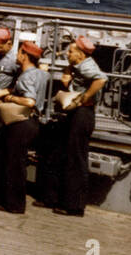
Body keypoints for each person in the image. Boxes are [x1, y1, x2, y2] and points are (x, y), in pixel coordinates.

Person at [38, 36, 107, 217]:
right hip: (75, 113)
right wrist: (68, 70)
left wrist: (85, 97)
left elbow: (101, 79)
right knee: (62, 153)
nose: (67, 54)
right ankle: (54, 198)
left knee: (75, 159)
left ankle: (74, 206)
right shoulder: (79, 66)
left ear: (80, 53)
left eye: (70, 51)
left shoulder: (87, 66)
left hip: (82, 114)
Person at [0, 41, 49, 214]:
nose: (16, 56)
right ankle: (0, 197)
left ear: (25, 56)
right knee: (2, 150)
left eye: (19, 53)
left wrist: (10, 98)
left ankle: (14, 204)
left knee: (14, 163)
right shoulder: (41, 74)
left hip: (21, 122)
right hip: (32, 123)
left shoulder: (26, 76)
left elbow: (29, 101)